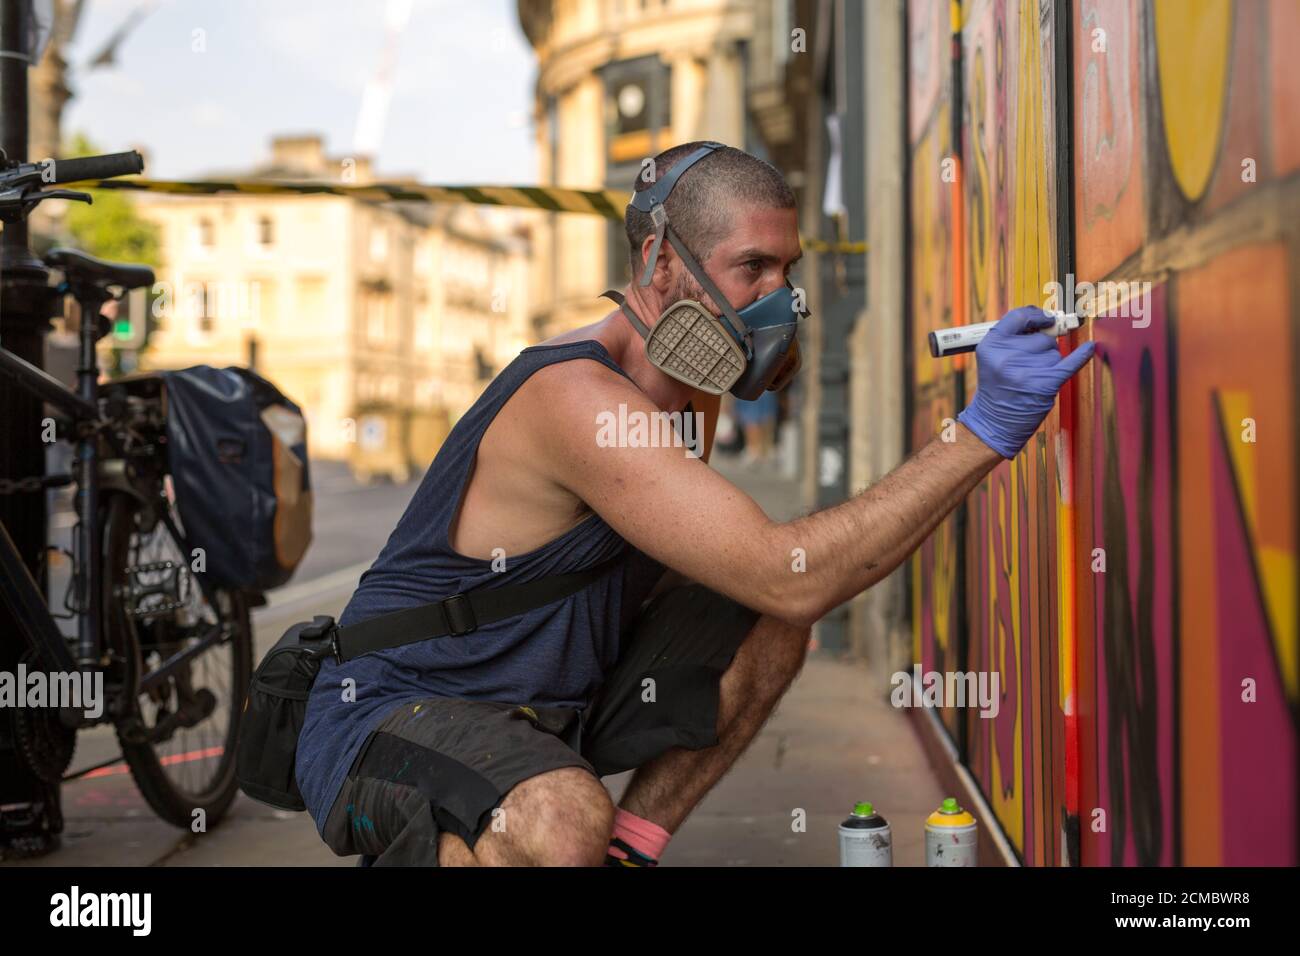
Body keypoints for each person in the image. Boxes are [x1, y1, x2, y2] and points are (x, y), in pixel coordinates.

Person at [295, 141, 1093, 867]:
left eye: (789, 271)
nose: (781, 302)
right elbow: (794, 572)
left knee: (765, 613)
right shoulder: (575, 397)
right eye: (752, 270)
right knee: (562, 818)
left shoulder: (688, 391)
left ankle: (624, 853)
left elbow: (766, 587)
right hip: (391, 721)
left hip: (543, 712)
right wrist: (982, 430)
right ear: (661, 264)